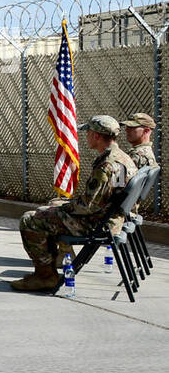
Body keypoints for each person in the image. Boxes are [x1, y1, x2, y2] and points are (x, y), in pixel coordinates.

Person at [12, 115, 137, 292]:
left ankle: (45, 276)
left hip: (97, 223)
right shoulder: (122, 158)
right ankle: (54, 262)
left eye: (88, 133)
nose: (86, 138)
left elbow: (88, 206)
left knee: (30, 219)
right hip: (112, 219)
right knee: (50, 208)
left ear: (96, 136)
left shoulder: (107, 164)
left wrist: (63, 207)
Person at [121, 112, 159, 214]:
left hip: (119, 211)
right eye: (127, 126)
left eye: (132, 127)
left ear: (146, 131)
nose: (126, 130)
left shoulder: (138, 156)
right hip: (128, 208)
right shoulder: (144, 152)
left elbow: (119, 186)